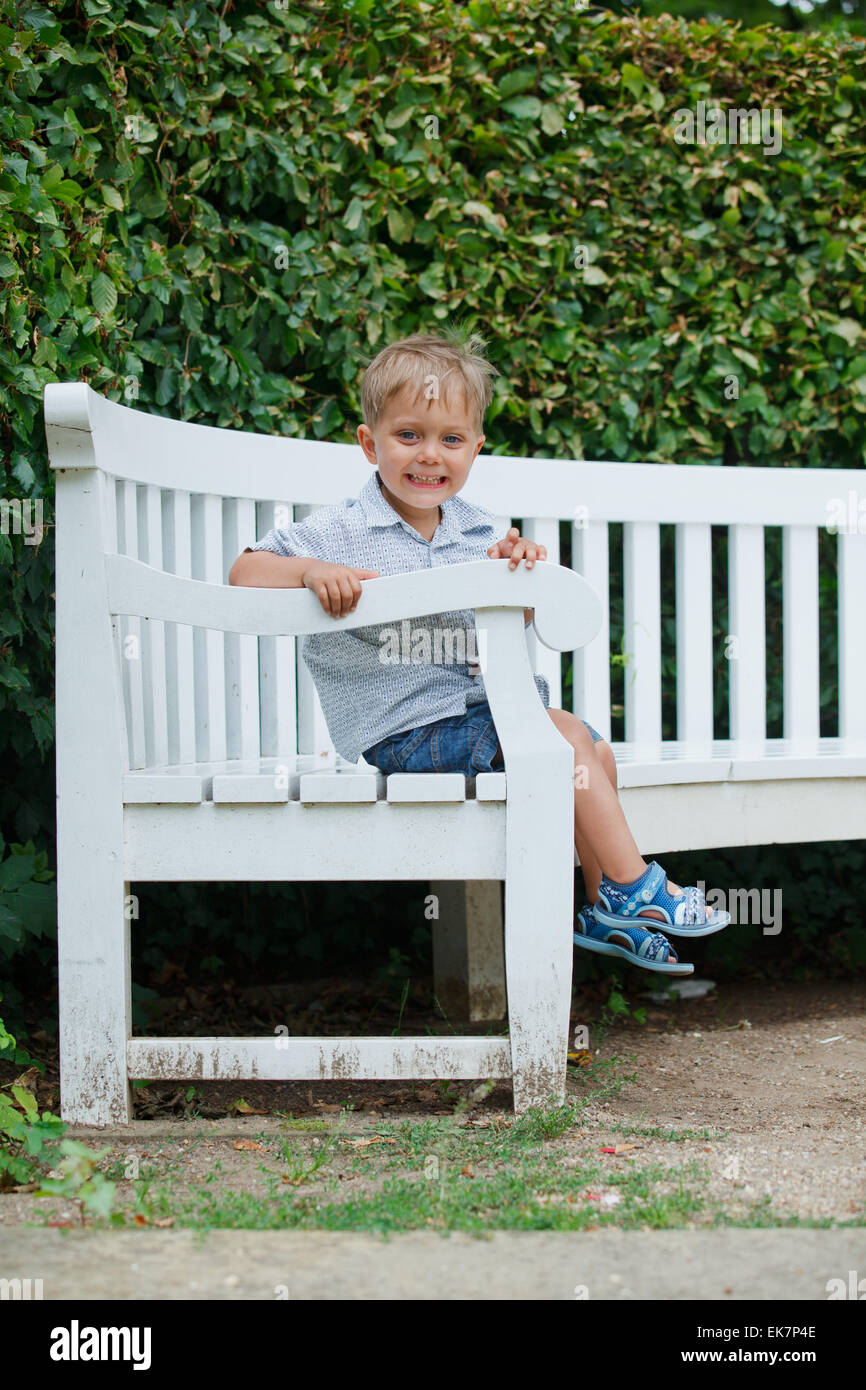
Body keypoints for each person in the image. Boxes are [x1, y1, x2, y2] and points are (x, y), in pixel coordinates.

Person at [229, 330, 730, 976]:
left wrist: (516, 575)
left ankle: (604, 912)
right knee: (566, 743)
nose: (429, 456)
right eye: (408, 435)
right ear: (368, 442)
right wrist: (309, 572)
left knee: (592, 751)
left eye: (451, 440)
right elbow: (245, 572)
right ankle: (637, 891)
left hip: (478, 716)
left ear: (475, 447)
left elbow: (512, 619)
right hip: (408, 731)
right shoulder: (341, 530)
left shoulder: (479, 530)